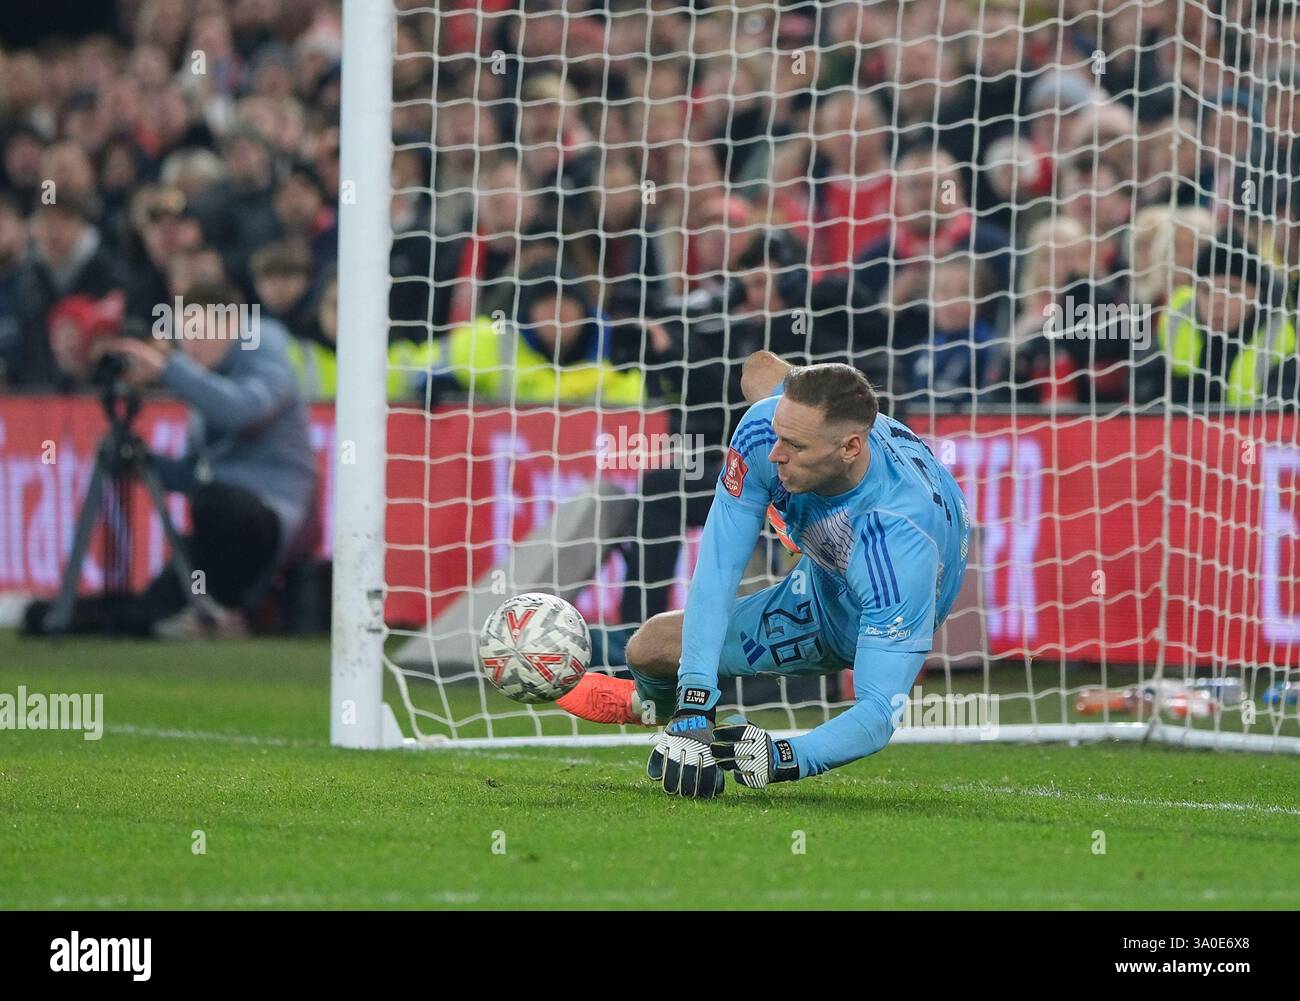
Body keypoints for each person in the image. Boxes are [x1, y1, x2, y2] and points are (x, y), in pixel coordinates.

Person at [557, 355, 971, 798]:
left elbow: (876, 715)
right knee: (650, 647)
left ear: (850, 448)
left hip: (859, 615)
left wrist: (781, 757)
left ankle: (672, 715)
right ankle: (650, 706)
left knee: (864, 679)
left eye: (794, 446)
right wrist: (695, 705)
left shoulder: (896, 547)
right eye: (779, 434)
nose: (775, 455)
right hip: (824, 575)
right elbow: (718, 567)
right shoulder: (767, 430)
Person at [22, 280, 318, 638]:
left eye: (199, 333)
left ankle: (228, 608)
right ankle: (50, 615)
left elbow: (242, 412)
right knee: (152, 607)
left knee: (216, 504)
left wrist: (169, 369)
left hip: (272, 520)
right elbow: (194, 474)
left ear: (232, 326)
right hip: (219, 527)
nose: (190, 345)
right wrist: (141, 459)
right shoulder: (203, 380)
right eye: (185, 334)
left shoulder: (267, 353)